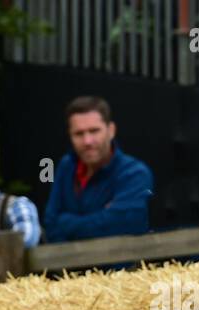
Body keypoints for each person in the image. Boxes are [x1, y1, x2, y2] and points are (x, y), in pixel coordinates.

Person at [43, 96, 153, 242]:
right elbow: (50, 224)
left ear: (111, 130)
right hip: (67, 264)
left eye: (94, 131)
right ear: (70, 135)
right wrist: (103, 216)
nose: (87, 141)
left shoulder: (135, 173)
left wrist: (65, 222)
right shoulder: (66, 165)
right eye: (79, 134)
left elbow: (123, 226)